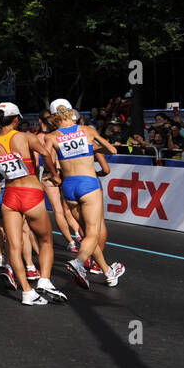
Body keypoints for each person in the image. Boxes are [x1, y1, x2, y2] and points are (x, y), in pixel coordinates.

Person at [0, 102, 63, 305]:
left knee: (14, 246)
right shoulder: (26, 137)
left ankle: (27, 292)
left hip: (10, 196)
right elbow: (44, 154)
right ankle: (44, 280)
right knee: (45, 241)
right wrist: (54, 175)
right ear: (16, 119)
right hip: (31, 193)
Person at [43, 98, 123, 287]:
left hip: (69, 186)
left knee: (86, 233)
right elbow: (112, 150)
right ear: (72, 112)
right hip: (88, 183)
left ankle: (108, 272)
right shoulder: (87, 130)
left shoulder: (51, 136)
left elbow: (46, 157)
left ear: (53, 117)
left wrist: (54, 175)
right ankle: (79, 263)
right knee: (93, 232)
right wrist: (93, 147)